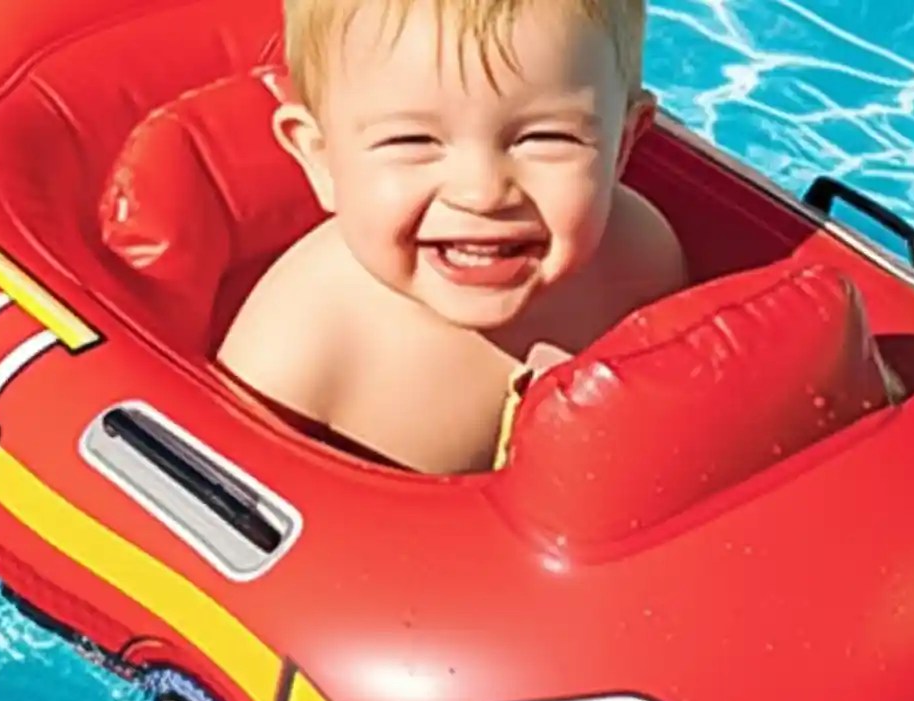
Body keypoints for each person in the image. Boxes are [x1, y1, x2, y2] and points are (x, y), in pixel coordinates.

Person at [217, 0, 689, 474]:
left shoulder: (638, 261)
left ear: (623, 146)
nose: (482, 192)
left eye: (547, 137)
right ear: (321, 160)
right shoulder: (301, 348)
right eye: (412, 141)